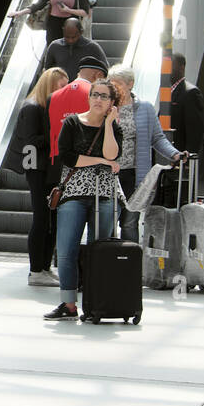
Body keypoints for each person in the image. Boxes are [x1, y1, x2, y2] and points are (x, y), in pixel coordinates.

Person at [45, 80, 123, 321]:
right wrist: (100, 162)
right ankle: (68, 304)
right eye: (95, 95)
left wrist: (109, 124)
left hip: (105, 195)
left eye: (104, 96)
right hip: (74, 193)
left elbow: (113, 154)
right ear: (89, 97)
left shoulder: (114, 127)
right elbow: (68, 158)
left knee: (98, 252)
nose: (98, 99)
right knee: (67, 250)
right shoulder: (72, 122)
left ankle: (94, 303)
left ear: (112, 103)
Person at [107, 65, 187, 242]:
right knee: (107, 221)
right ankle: (108, 262)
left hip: (134, 173)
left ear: (130, 84)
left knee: (129, 222)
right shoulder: (105, 107)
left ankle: (131, 262)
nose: (114, 87)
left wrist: (175, 154)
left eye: (118, 83)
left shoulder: (145, 108)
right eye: (110, 83)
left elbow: (157, 138)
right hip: (108, 172)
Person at [6, 67, 69, 287]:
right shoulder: (33, 108)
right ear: (51, 85)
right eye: (61, 87)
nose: (64, 91)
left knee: (50, 220)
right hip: (38, 169)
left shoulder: (44, 106)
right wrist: (56, 133)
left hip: (47, 168)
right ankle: (36, 270)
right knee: (42, 219)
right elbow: (31, 140)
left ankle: (44, 267)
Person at [48, 54, 109, 180]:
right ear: (97, 75)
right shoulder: (97, 97)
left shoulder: (53, 96)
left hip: (56, 161)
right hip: (84, 162)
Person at [38, 18, 108, 80]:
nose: (70, 40)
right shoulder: (55, 46)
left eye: (74, 37)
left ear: (81, 32)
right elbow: (47, 70)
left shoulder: (92, 47)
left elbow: (105, 69)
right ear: (63, 31)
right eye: (67, 37)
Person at [171, 53, 204, 157]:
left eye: (170, 65)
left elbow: (195, 130)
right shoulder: (167, 91)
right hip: (170, 155)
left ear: (181, 68)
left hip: (182, 158)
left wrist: (190, 156)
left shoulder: (191, 93)